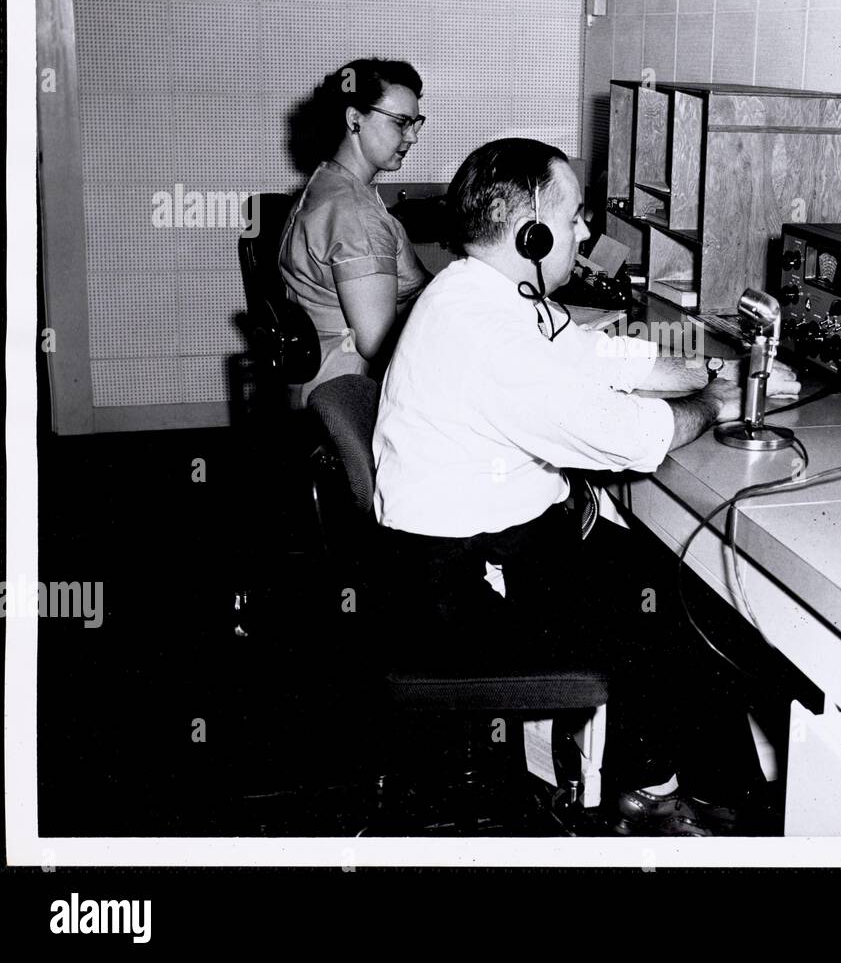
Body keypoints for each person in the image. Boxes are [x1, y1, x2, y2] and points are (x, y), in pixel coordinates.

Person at [371, 137, 801, 835]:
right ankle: (720, 806)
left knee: (663, 577)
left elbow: (599, 355)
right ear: (530, 229)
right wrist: (714, 409)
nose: (584, 231)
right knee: (683, 606)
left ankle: (660, 778)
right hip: (460, 596)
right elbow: (635, 435)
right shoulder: (484, 329)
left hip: (483, 553)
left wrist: (715, 374)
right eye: (573, 216)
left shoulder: (483, 291)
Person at [278, 59, 431, 408]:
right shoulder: (356, 216)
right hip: (348, 400)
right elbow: (377, 344)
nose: (413, 136)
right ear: (354, 120)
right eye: (401, 123)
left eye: (416, 122)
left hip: (314, 388)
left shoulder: (325, 183)